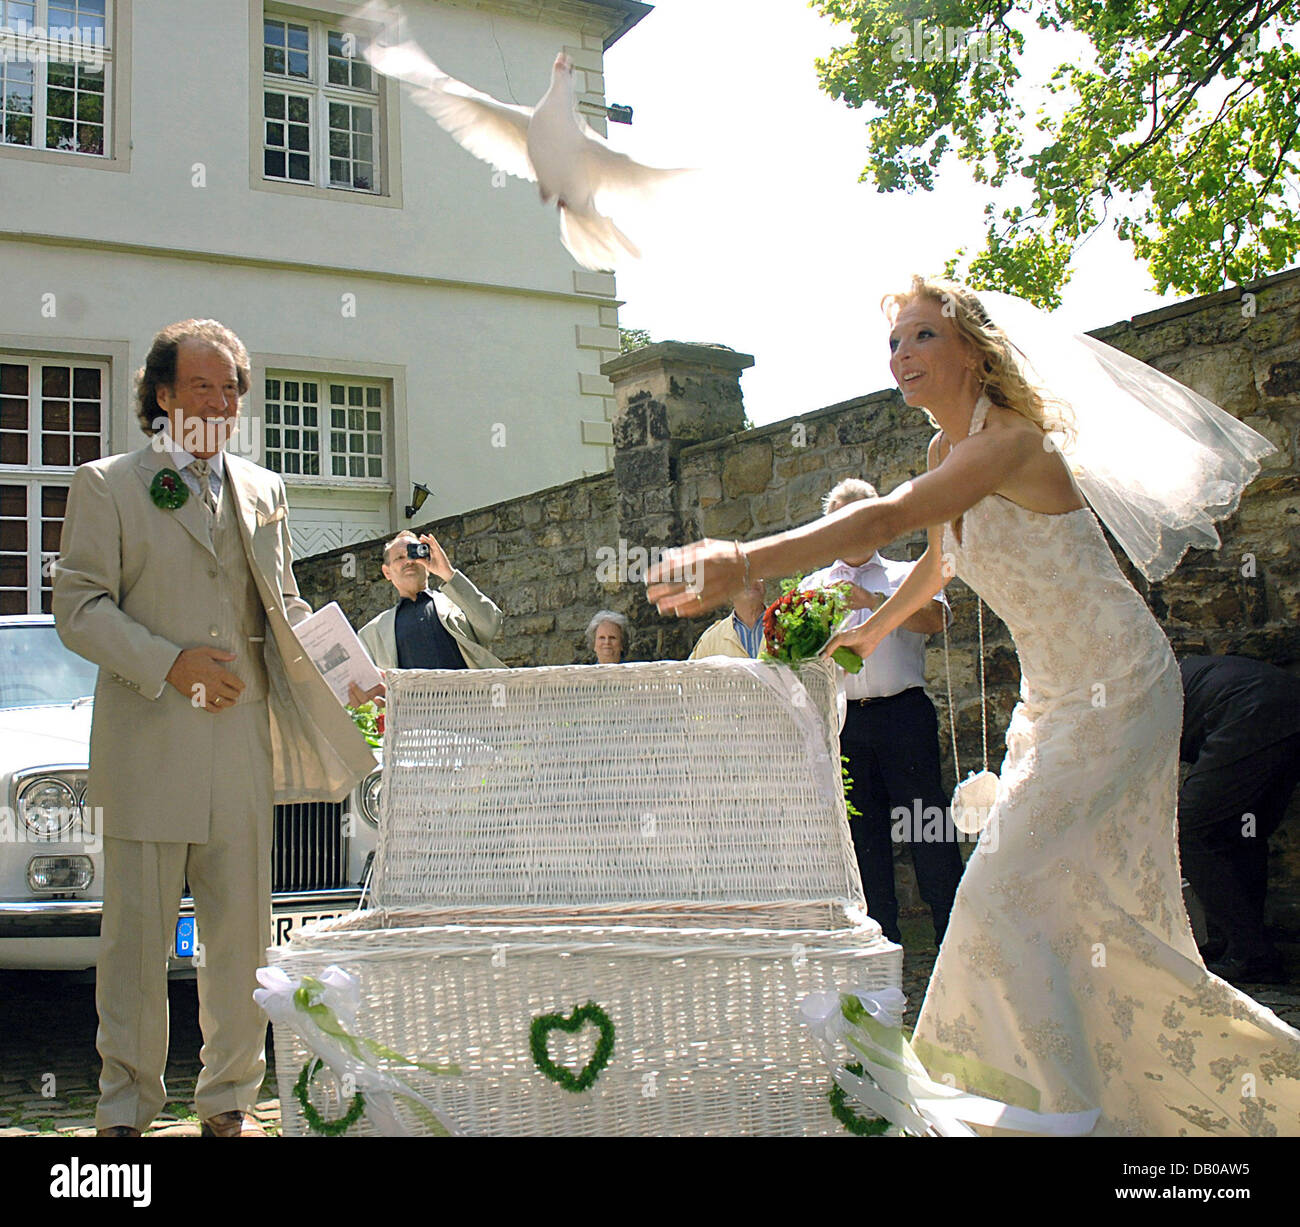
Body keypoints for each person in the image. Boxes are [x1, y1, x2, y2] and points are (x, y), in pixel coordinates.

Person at [647, 276, 1300, 1135]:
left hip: (1119, 686)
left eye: (922, 337)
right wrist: (869, 630)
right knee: (1075, 909)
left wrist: (743, 554)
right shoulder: (946, 457)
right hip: (1054, 698)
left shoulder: (1010, 443)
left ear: (973, 350)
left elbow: (883, 519)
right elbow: (941, 557)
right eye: (894, 343)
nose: (903, 356)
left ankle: (1027, 1108)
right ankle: (1110, 1092)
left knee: (1005, 888)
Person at [54, 320, 375, 1137]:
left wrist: (350, 669)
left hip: (240, 749)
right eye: (204, 384)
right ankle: (124, 1109)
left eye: (232, 385)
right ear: (163, 395)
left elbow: (286, 606)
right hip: (146, 747)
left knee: (239, 944)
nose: (222, 399)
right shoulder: (107, 483)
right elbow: (78, 606)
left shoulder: (264, 490)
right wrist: (171, 662)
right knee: (134, 950)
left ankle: (230, 1102)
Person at [802, 478, 961, 948]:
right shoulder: (812, 587)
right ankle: (881, 943)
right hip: (846, 723)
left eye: (862, 518)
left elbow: (935, 622)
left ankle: (953, 938)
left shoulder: (905, 574)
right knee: (863, 836)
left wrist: (875, 604)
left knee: (926, 825)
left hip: (903, 716)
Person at [1178, 654, 1300, 985]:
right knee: (1245, 832)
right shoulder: (1162, 671)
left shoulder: (1117, 703)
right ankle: (1242, 940)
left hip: (1249, 714)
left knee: (1191, 833)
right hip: (1284, 707)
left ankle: (1251, 953)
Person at [357, 530, 505, 670]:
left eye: (413, 554)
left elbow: (491, 624)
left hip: (469, 695)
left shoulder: (458, 603)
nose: (409, 561)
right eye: (400, 557)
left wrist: (447, 572)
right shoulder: (371, 634)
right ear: (387, 572)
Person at [688, 578, 767, 659]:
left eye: (758, 575)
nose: (753, 580)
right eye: (743, 575)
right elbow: (692, 671)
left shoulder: (779, 625)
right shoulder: (711, 640)